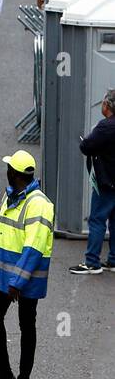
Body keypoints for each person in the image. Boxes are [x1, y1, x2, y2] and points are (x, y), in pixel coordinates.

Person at [0, 151, 54, 379]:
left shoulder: (39, 204)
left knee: (26, 325)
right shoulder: (9, 196)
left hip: (25, 277)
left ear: (15, 174)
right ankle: (4, 373)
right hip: (3, 271)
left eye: (9, 169)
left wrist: (18, 282)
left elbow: (34, 247)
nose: (6, 172)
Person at [73, 89, 115, 273]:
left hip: (106, 181)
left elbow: (86, 146)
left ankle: (92, 262)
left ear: (107, 105)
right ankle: (113, 260)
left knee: (97, 220)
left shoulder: (105, 127)